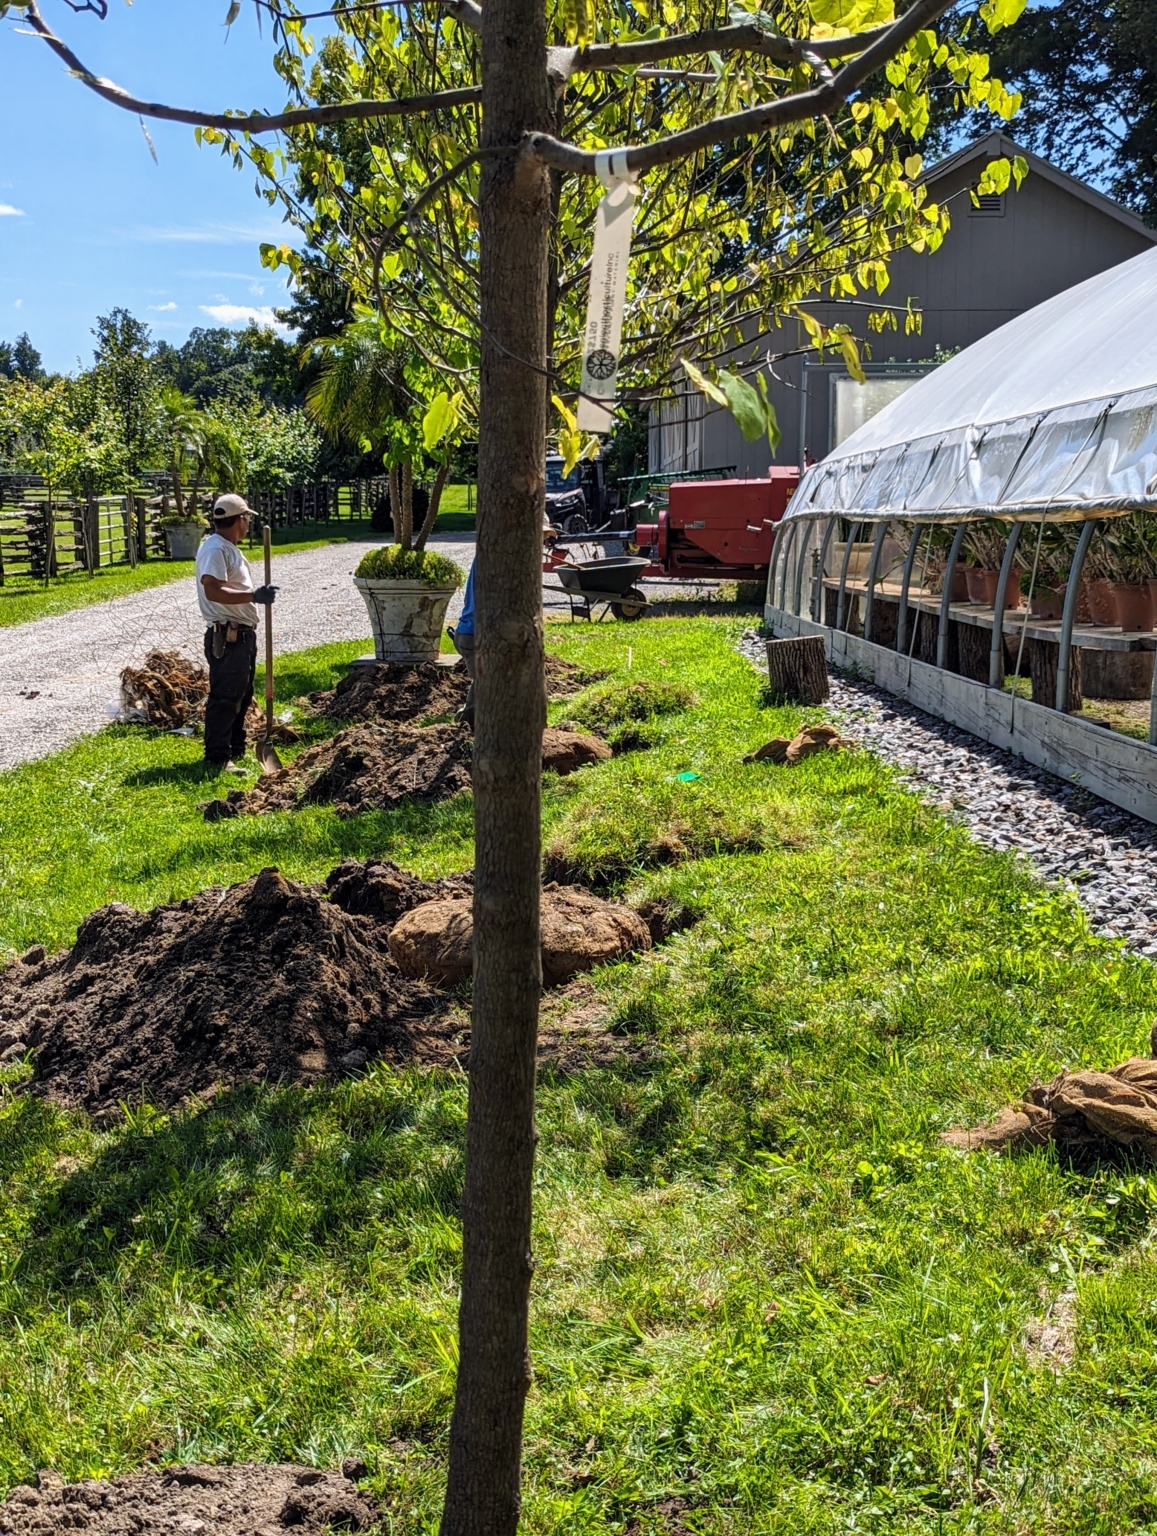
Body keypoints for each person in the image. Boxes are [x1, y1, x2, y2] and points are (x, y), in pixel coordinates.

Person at [195, 493, 278, 773]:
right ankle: (218, 756)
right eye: (247, 519)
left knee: (241, 693)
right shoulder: (214, 549)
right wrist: (253, 595)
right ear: (240, 519)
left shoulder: (229, 548)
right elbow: (213, 589)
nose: (248, 525)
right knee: (226, 696)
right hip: (227, 635)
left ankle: (236, 746)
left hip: (242, 634)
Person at [448, 558, 475, 727]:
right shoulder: (497, 560)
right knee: (485, 681)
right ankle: (464, 723)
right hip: (473, 636)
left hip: (467, 633)